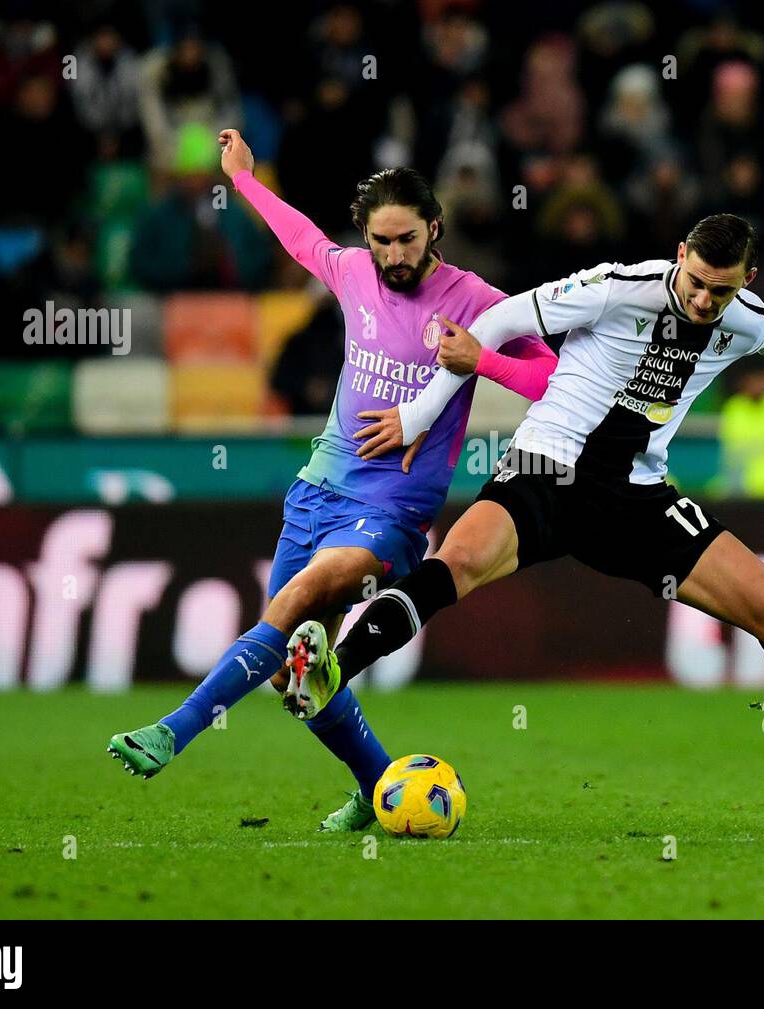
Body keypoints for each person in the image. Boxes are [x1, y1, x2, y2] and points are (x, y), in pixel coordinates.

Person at [293, 213, 764, 831]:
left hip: (636, 498)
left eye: (718, 291)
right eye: (694, 282)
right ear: (679, 258)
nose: (701, 301)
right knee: (456, 564)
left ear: (746, 282)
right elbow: (494, 321)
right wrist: (422, 412)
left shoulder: (745, 319)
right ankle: (333, 669)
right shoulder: (615, 288)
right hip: (545, 469)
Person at [107, 130, 557, 834]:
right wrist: (248, 180)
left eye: (408, 239)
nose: (394, 255)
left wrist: (480, 361)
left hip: (393, 509)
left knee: (309, 594)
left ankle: (175, 728)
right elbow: (300, 239)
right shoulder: (353, 273)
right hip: (317, 489)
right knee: (294, 673)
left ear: (434, 229)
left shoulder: (475, 301)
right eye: (381, 240)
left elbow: (549, 376)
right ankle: (381, 785)